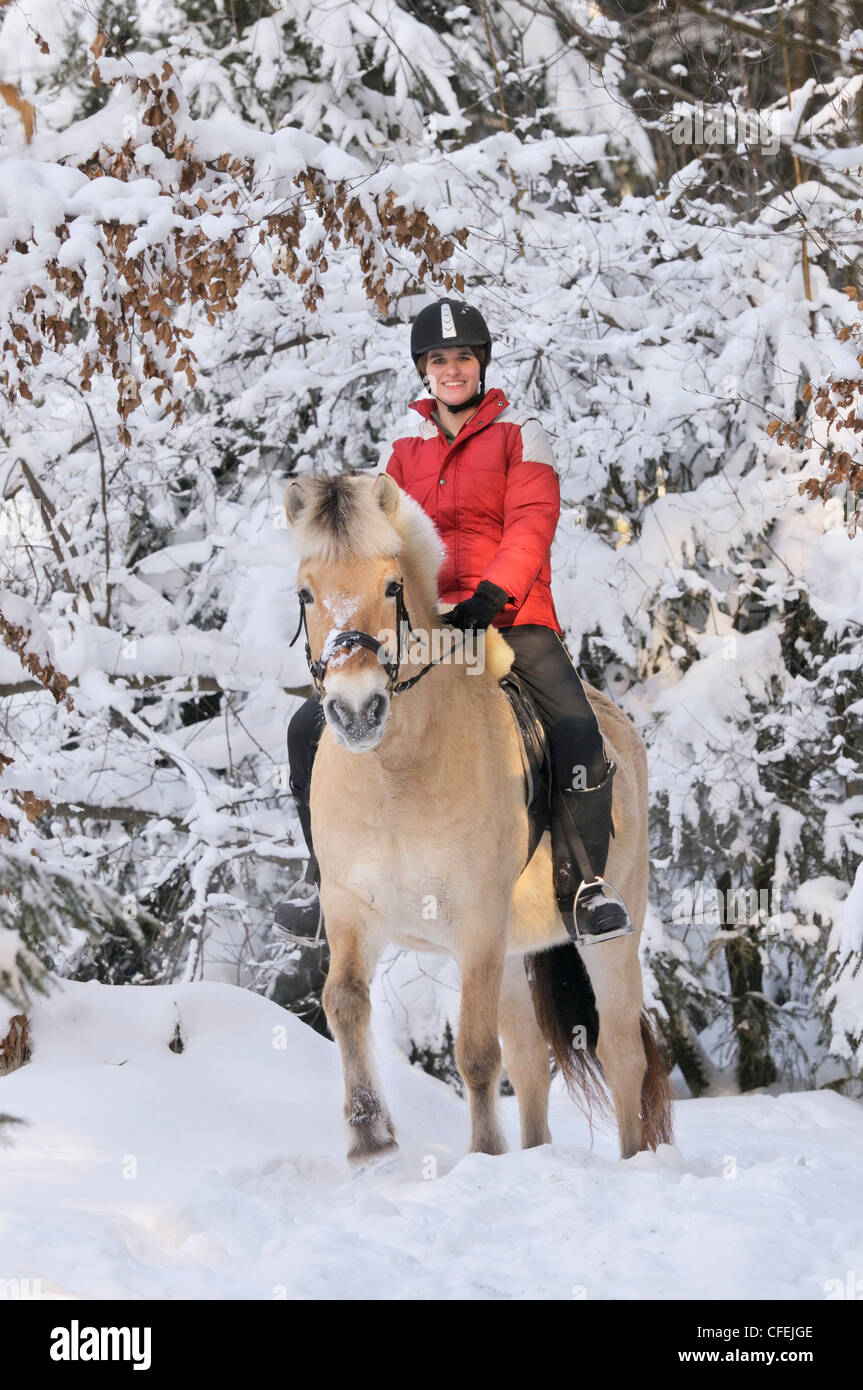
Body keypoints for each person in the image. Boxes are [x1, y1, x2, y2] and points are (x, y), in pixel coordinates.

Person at [274, 299, 633, 948]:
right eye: (437, 361)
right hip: (431, 629)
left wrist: (492, 595)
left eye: (461, 358)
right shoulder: (404, 449)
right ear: (424, 370)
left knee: (575, 728)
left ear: (480, 364)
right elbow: (384, 543)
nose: (450, 370)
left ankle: (583, 885)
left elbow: (532, 520)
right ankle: (321, 881)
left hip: (513, 618)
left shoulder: (519, 431)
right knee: (308, 726)